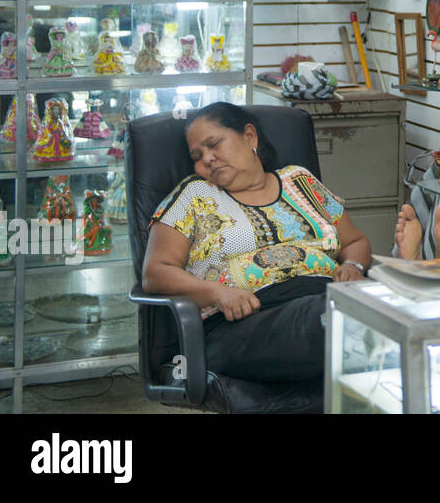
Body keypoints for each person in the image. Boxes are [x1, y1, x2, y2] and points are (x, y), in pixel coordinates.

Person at [141, 103, 373, 385]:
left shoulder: (300, 181)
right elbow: (155, 272)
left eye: (214, 144)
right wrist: (217, 293)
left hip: (323, 298)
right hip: (241, 322)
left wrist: (352, 265)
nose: (208, 159)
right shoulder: (194, 194)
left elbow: (355, 240)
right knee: (337, 321)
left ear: (249, 137)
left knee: (361, 313)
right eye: (197, 156)